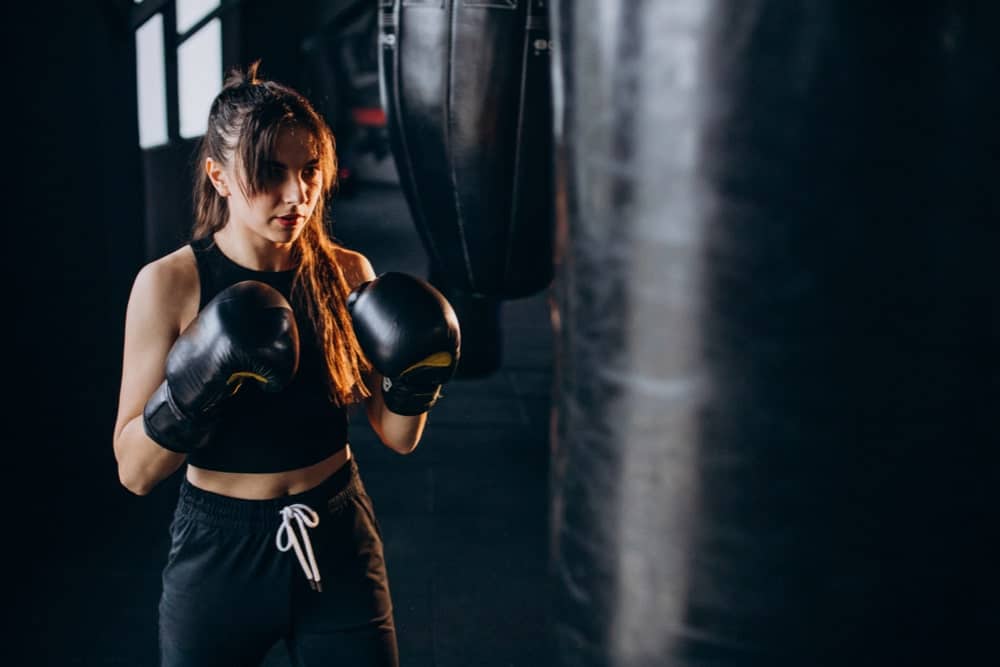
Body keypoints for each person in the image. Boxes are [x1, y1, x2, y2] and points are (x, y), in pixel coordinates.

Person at [112, 61, 460, 666]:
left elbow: (397, 437)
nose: (297, 196)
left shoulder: (348, 274)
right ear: (219, 177)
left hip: (338, 534)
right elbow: (135, 472)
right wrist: (193, 389)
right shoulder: (169, 284)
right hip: (217, 551)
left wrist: (417, 378)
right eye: (271, 174)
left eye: (310, 172)